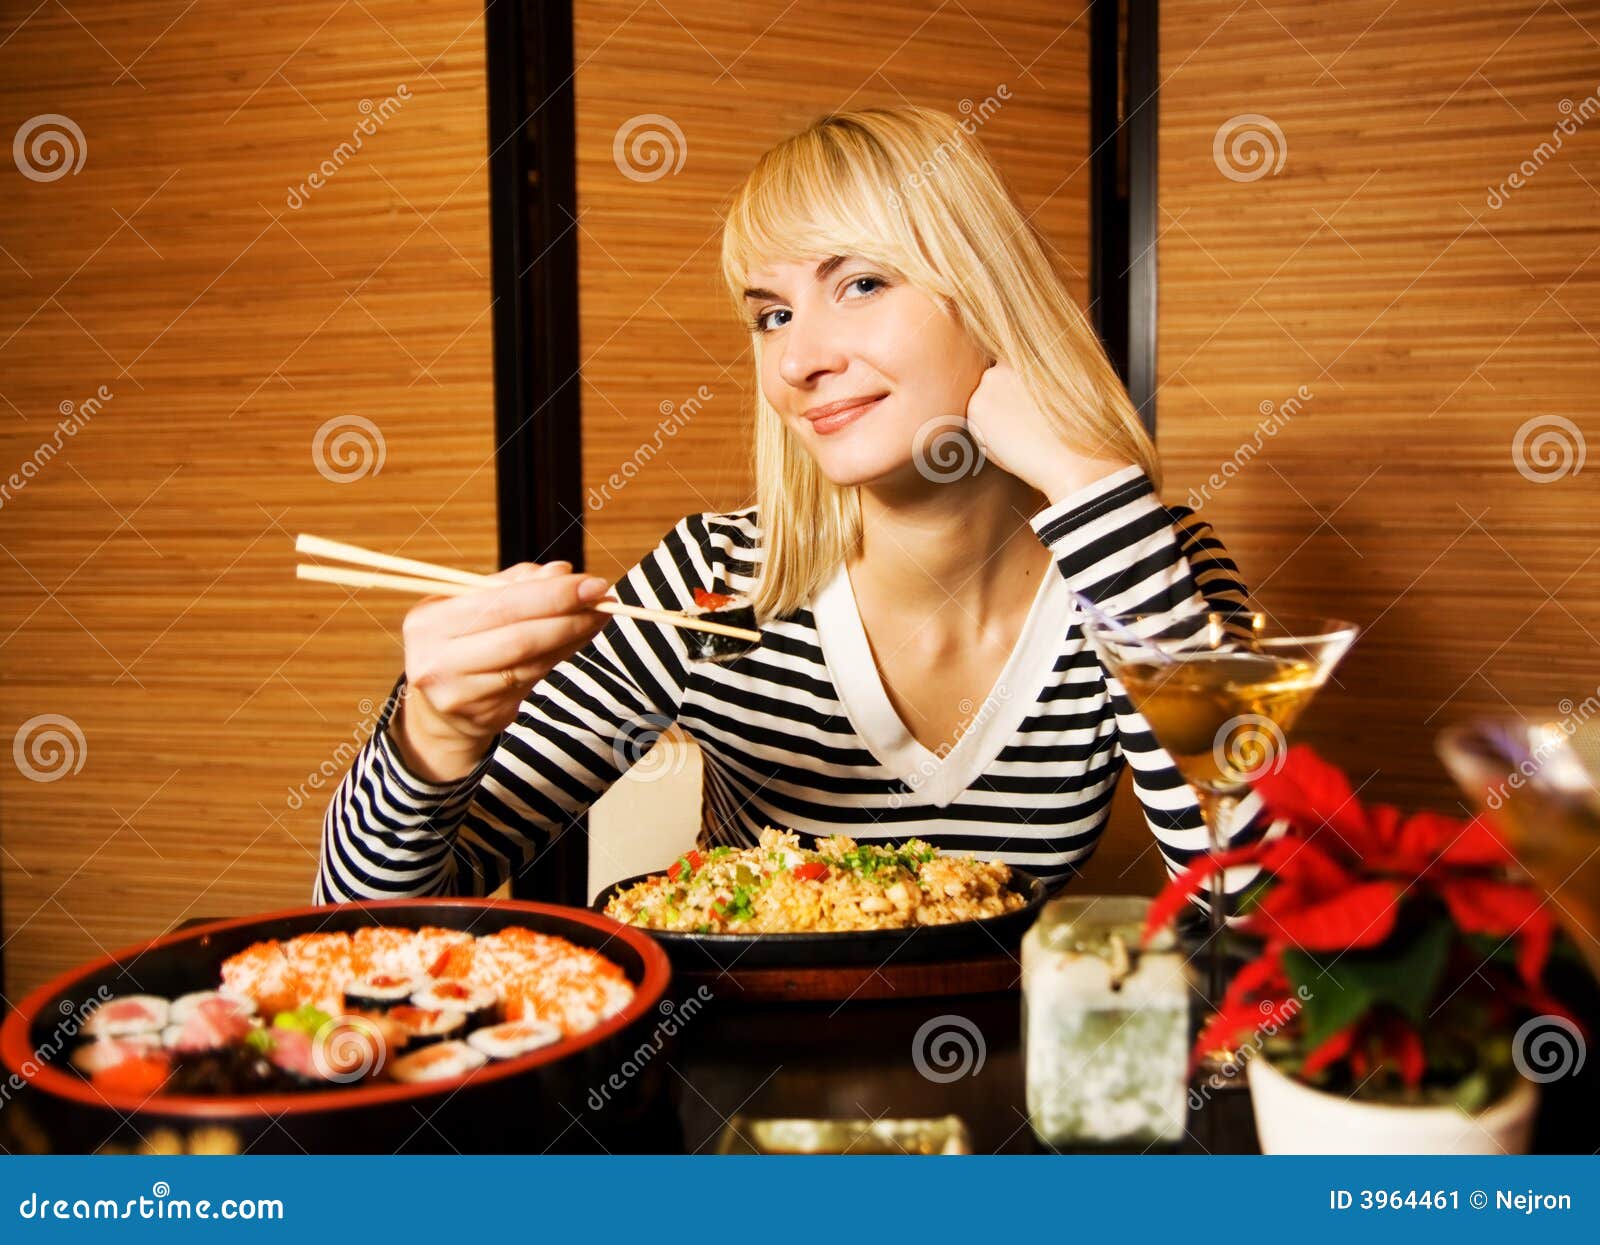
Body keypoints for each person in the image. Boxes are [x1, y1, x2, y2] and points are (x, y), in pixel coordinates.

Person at [315, 104, 1269, 911]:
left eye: (859, 283)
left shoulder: (1147, 556)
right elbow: (357, 920)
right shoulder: (712, 586)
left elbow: (1257, 907)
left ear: (989, 296)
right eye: (771, 313)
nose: (797, 362)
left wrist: (1093, 489)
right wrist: (431, 738)